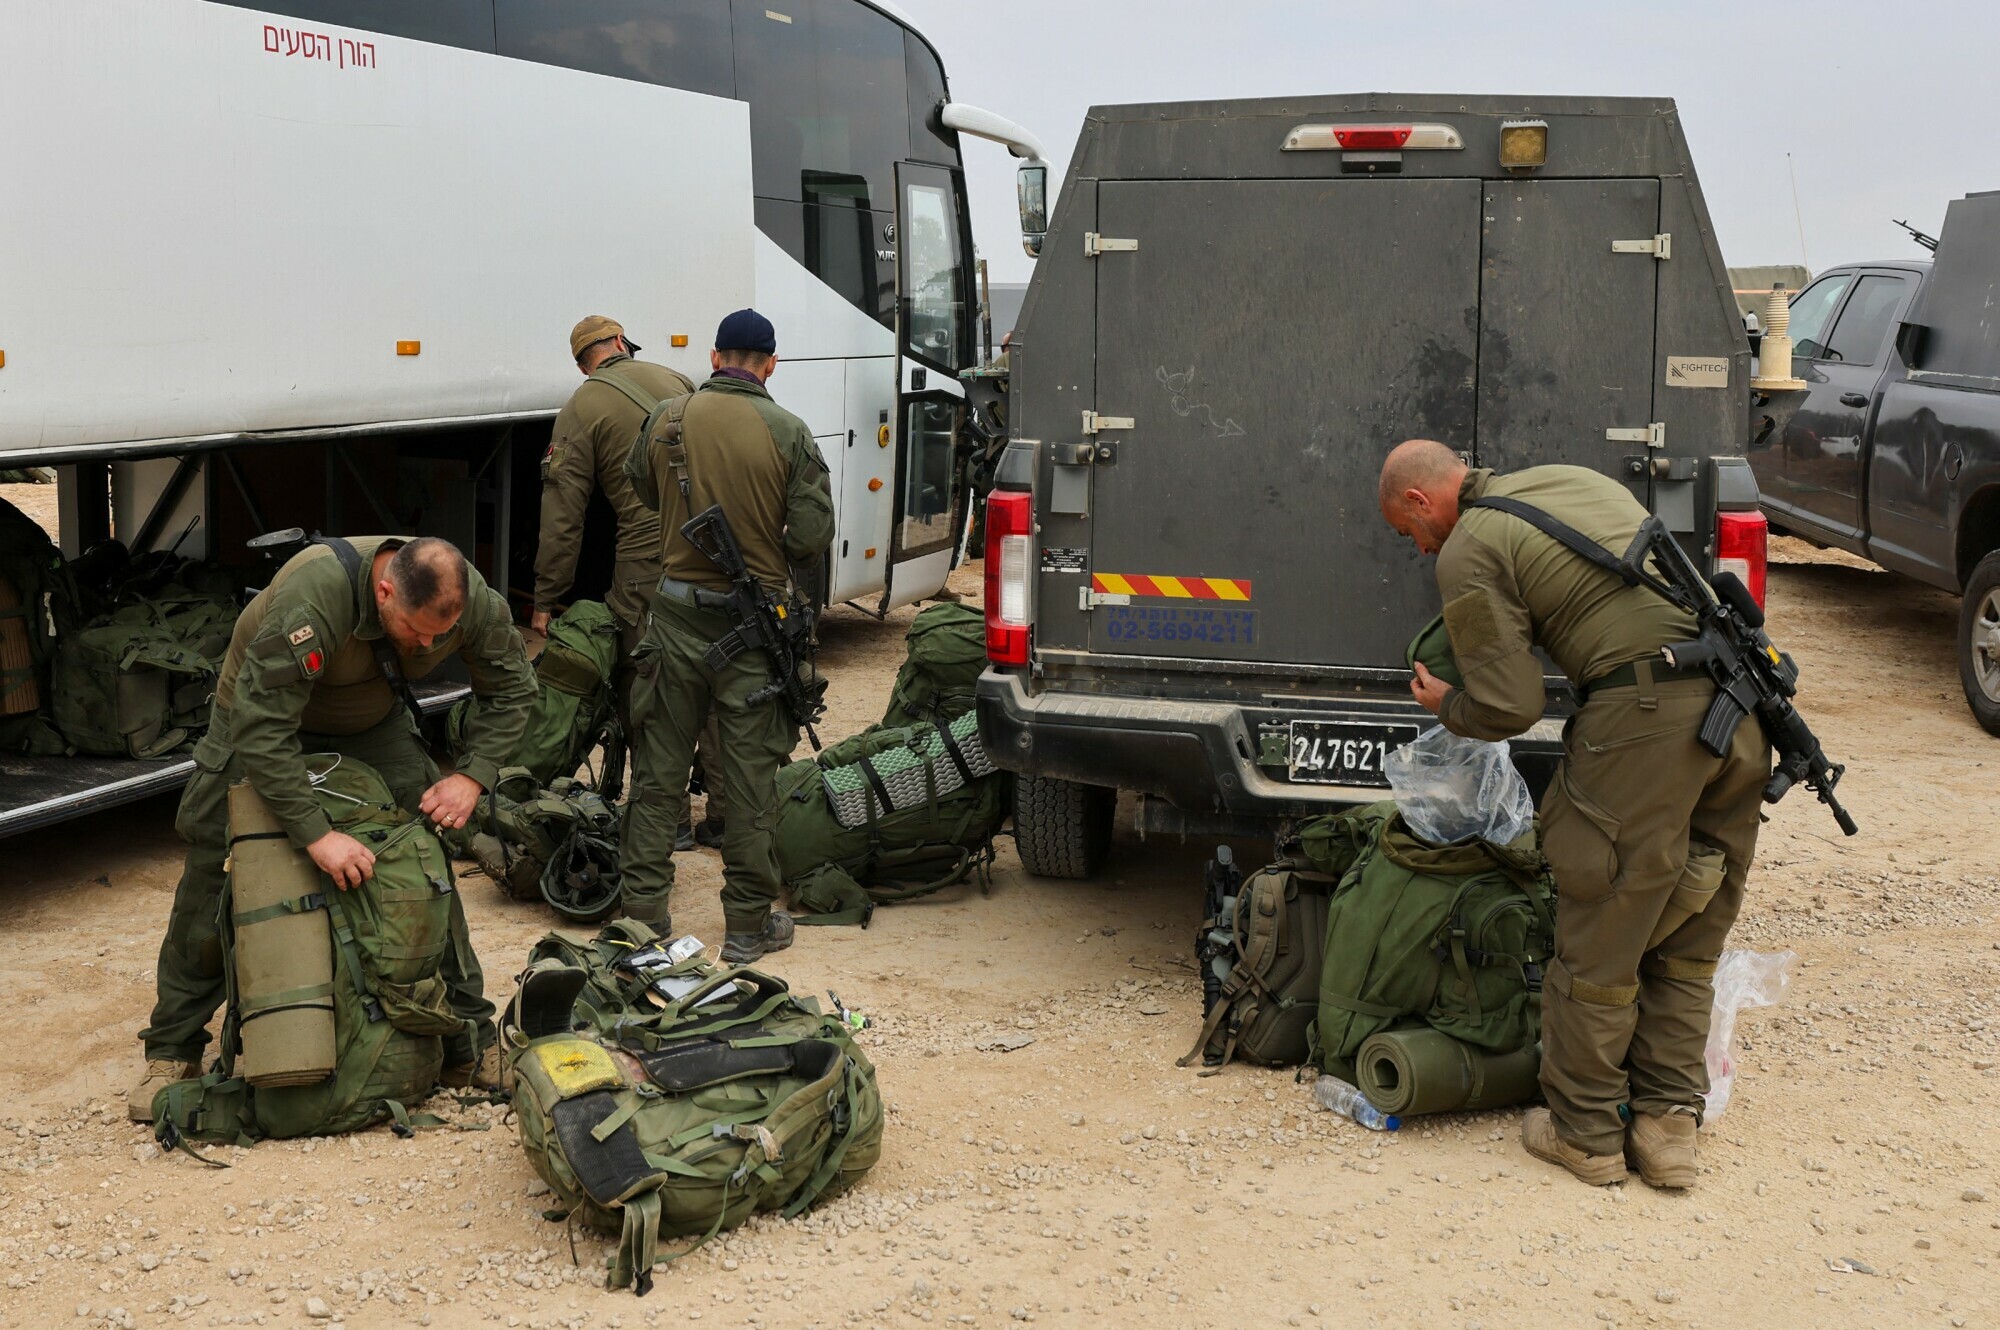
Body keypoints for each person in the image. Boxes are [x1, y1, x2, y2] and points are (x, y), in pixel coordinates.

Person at [1377, 439, 1769, 1190]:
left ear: (1423, 501)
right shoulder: (1571, 473)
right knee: (1688, 931)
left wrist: (1447, 704)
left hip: (1645, 725)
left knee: (1601, 928)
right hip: (1739, 712)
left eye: (1409, 530)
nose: (1418, 545)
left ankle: (1584, 1133)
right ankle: (1667, 1131)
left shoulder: (1468, 547)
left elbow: (1511, 705)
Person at [131, 536, 537, 1119]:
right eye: (415, 630)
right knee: (217, 867)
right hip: (263, 724)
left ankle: (463, 1041)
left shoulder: (464, 598)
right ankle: (172, 1047)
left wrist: (471, 776)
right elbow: (262, 730)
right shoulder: (313, 597)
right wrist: (316, 834)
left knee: (422, 862)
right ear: (384, 590)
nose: (428, 645)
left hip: (369, 722)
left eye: (439, 636)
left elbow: (514, 689)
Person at [620, 308, 833, 963]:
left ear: (715, 357)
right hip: (751, 634)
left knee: (656, 781)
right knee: (749, 786)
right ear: (770, 364)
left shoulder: (667, 418)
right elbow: (811, 537)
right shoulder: (788, 431)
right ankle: (745, 928)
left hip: (673, 622)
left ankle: (643, 924)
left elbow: (641, 488)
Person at [535, 315, 724, 850]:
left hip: (646, 561)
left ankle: (669, 822)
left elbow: (564, 516)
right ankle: (726, 815)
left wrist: (549, 596)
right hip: (712, 550)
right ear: (621, 344)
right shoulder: (677, 380)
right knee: (712, 678)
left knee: (650, 688)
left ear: (581, 363)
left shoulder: (581, 406)